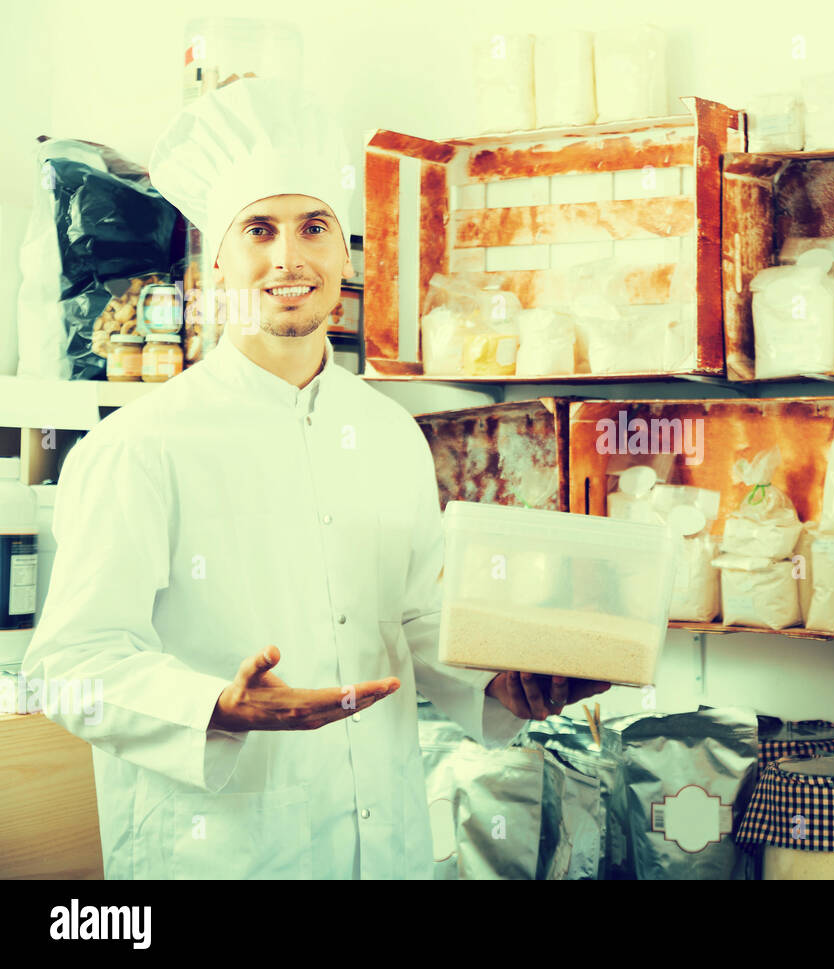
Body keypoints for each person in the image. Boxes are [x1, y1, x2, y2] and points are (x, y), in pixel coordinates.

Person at [23, 78, 609, 879]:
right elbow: (68, 669)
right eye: (259, 230)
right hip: (223, 851)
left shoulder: (389, 436)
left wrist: (512, 681)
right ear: (220, 258)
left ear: (343, 253)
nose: (287, 257)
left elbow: (416, 622)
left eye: (313, 228)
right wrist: (214, 707)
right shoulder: (143, 447)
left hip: (383, 846)